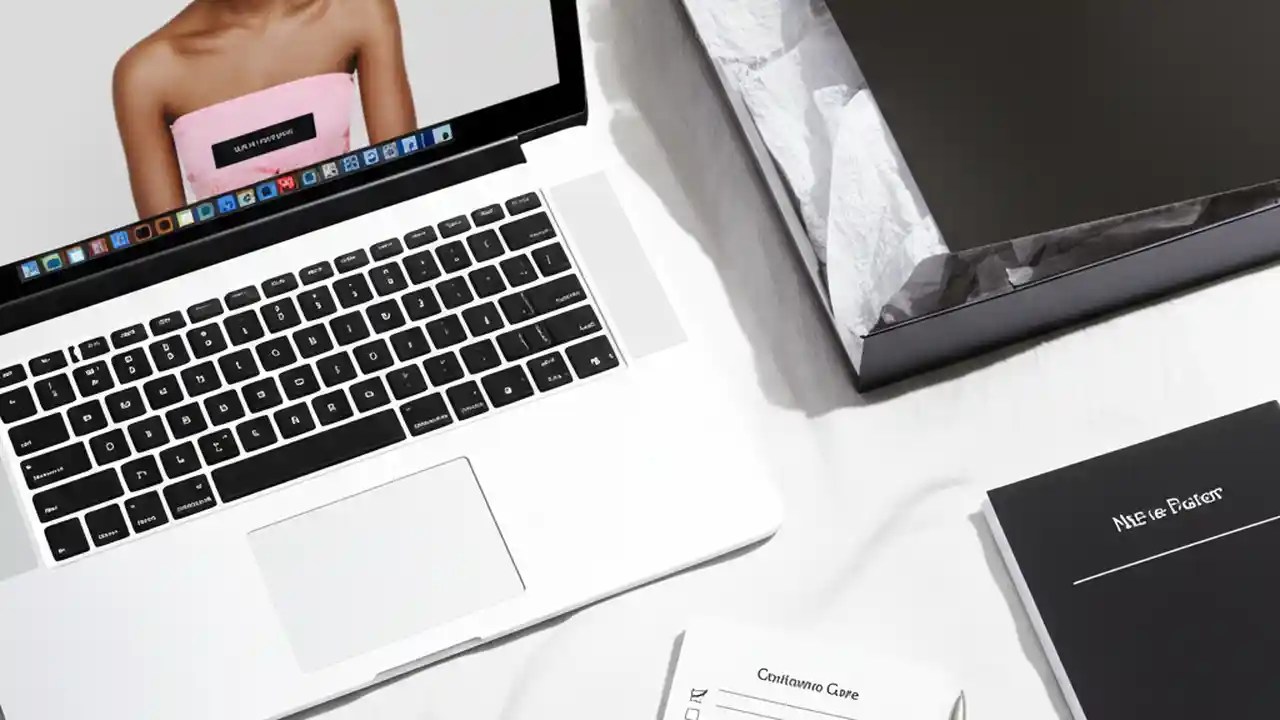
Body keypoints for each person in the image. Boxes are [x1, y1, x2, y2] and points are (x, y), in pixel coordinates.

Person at [113, 0, 417, 219]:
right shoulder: (145, 74)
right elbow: (170, 259)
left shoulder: (357, 9)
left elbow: (408, 187)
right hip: (237, 285)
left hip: (350, 257)